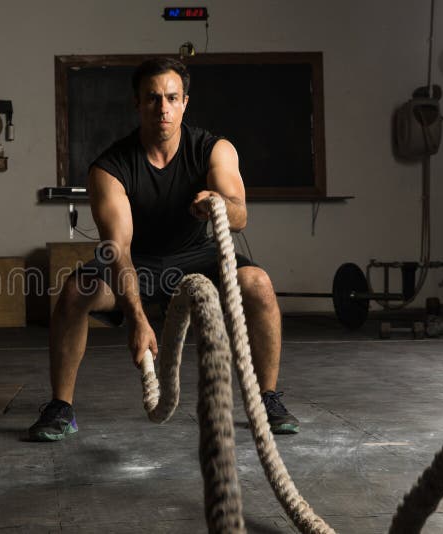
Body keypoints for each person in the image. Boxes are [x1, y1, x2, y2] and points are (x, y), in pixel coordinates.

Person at [28, 57, 299, 441]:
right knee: (75, 292)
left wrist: (217, 202)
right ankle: (61, 408)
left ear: (185, 101)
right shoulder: (110, 168)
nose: (163, 108)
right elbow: (118, 250)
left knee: (259, 284)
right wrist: (138, 319)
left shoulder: (213, 150)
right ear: (137, 104)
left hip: (196, 257)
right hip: (135, 261)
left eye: (172, 98)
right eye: (153, 99)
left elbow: (239, 217)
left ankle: (267, 398)